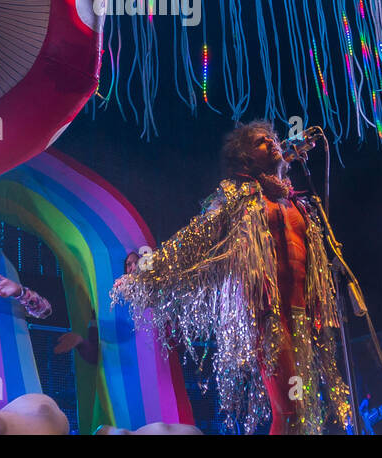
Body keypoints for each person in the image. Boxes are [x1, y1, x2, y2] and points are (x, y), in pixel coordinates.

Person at [113, 120, 352, 434]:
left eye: (273, 138)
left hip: (303, 321)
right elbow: (190, 241)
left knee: (304, 410)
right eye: (260, 141)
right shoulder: (239, 200)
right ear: (247, 159)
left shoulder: (300, 206)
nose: (272, 142)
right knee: (290, 409)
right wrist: (144, 274)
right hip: (268, 319)